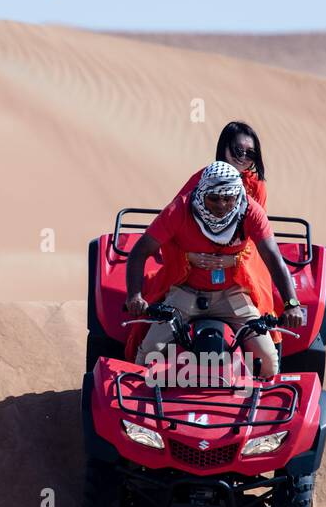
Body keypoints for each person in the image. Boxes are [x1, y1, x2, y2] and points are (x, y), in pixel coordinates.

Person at [123, 161, 306, 377]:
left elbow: (273, 258)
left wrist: (292, 304)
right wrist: (134, 295)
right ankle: (135, 405)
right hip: (185, 292)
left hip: (232, 295)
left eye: (228, 198)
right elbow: (139, 252)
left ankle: (261, 405)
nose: (221, 205)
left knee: (268, 359)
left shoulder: (251, 213)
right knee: (149, 352)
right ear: (201, 194)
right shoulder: (179, 210)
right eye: (214, 198)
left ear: (237, 195)